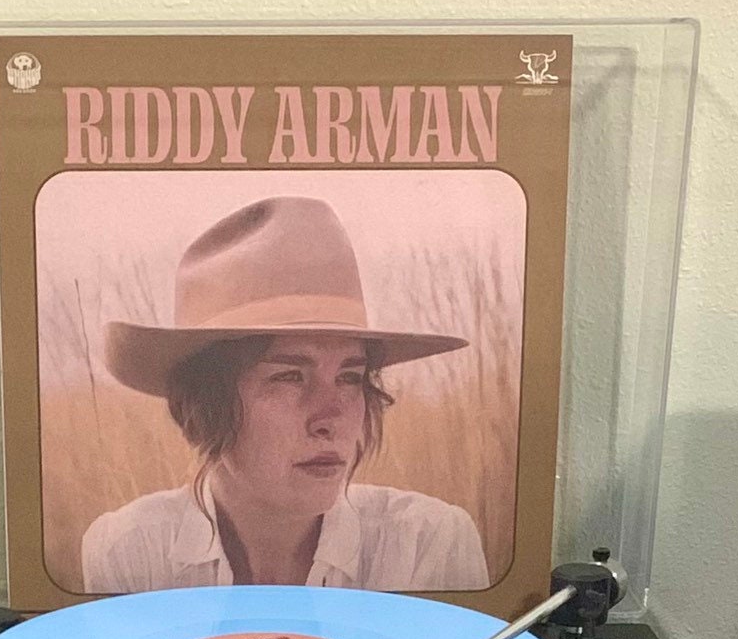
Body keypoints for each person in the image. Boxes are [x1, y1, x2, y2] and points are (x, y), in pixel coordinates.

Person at [79, 196, 490, 594]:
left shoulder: (426, 546)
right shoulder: (132, 553)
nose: (330, 419)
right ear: (203, 404)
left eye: (350, 378)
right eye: (290, 376)